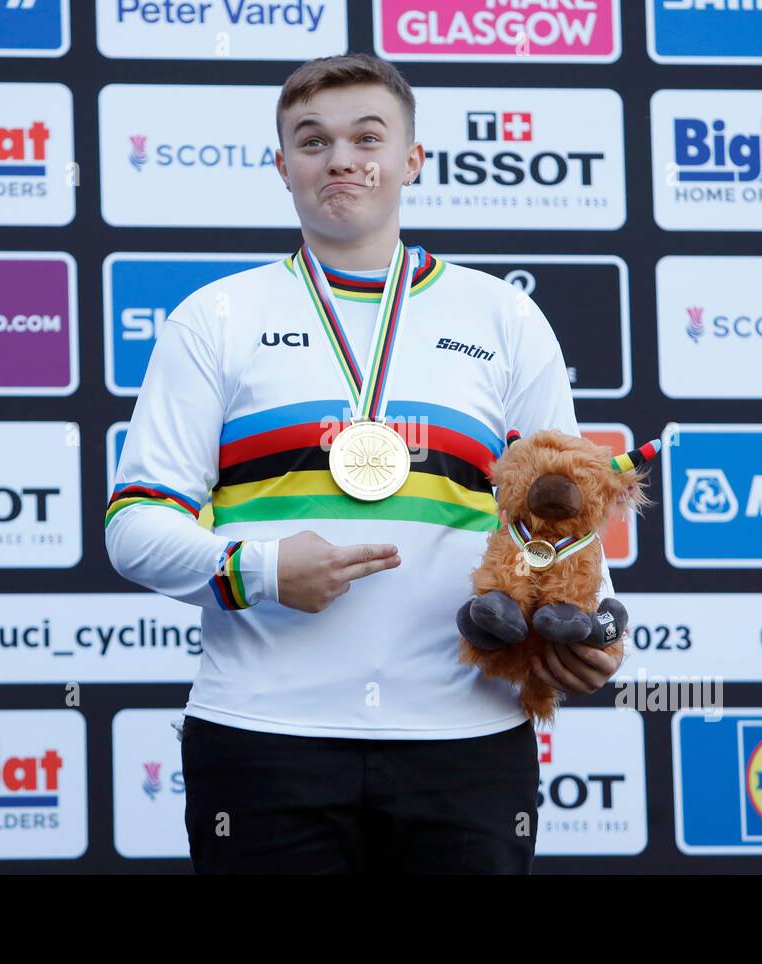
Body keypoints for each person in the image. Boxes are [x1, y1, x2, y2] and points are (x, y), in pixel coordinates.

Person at [105, 52, 625, 874]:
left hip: (468, 741)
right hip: (265, 739)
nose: (341, 159)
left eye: (367, 137)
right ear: (281, 167)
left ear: (412, 160)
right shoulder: (216, 319)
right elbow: (135, 526)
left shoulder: (504, 316)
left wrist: (593, 623)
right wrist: (264, 570)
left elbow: (568, 516)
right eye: (311, 141)